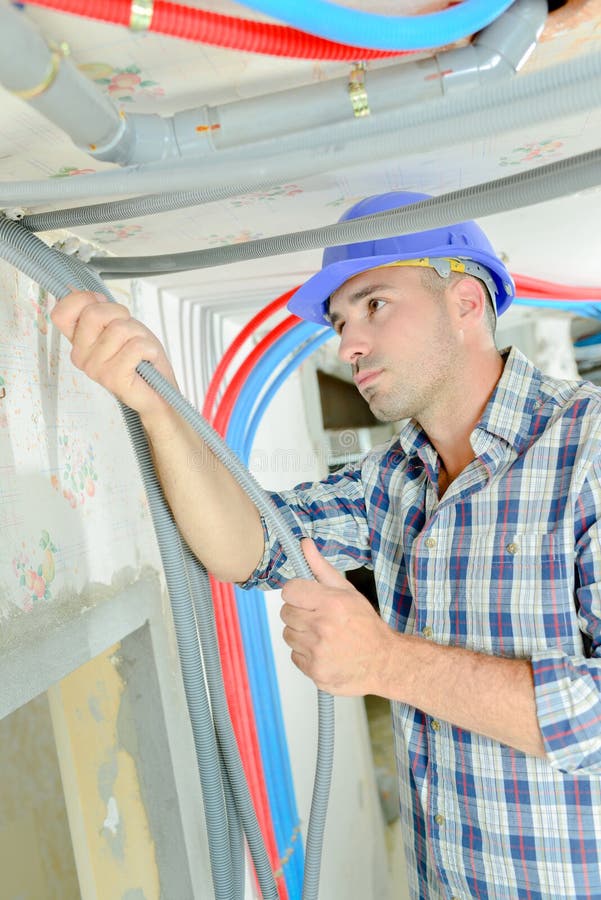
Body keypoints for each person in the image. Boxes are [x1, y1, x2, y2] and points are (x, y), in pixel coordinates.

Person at [51, 191, 601, 900]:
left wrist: (385, 662)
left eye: (373, 305)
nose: (348, 344)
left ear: (465, 302)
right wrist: (157, 403)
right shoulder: (396, 477)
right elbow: (247, 545)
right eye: (340, 322)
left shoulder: (585, 445)